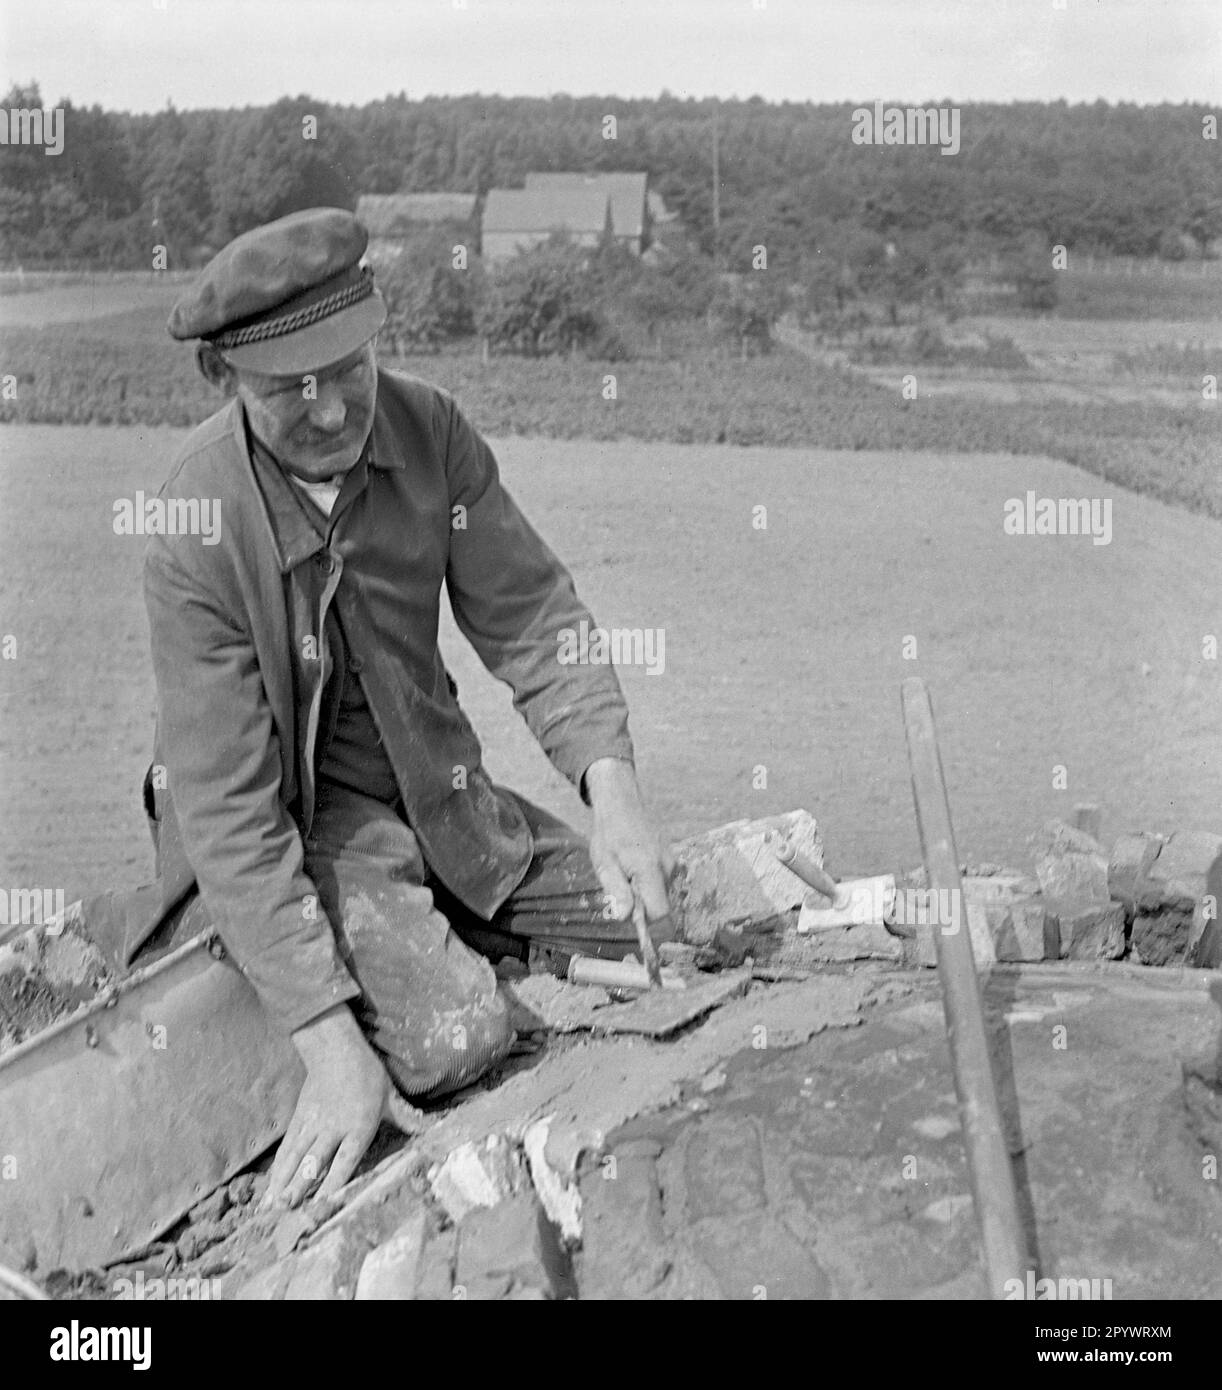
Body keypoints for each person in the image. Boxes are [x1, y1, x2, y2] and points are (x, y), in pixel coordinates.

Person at [94, 207, 674, 1208]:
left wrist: (610, 790)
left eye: (349, 374)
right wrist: (327, 1043)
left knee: (659, 924)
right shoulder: (193, 526)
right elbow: (228, 810)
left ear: (376, 337)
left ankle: (464, 919)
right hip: (295, 826)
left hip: (437, 794)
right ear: (221, 378)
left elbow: (534, 615)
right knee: (455, 1038)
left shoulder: (432, 429)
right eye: (288, 393)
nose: (330, 414)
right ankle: (276, 964)